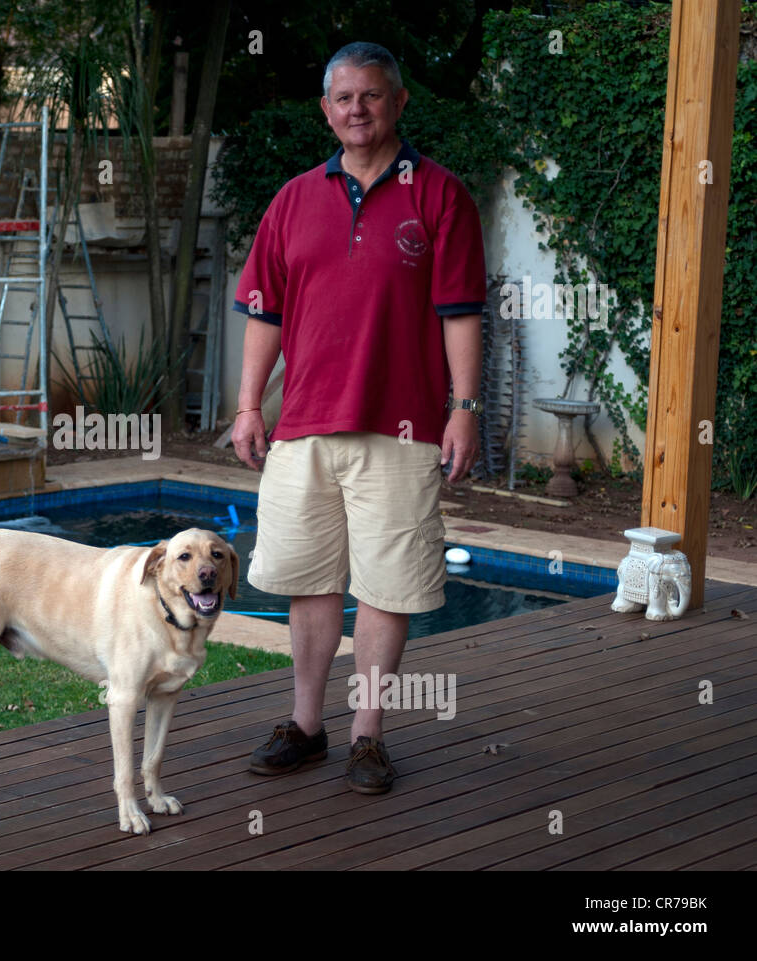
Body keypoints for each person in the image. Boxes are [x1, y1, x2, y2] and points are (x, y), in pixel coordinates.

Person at [230, 41, 485, 794]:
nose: (357, 109)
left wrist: (464, 409)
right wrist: (250, 404)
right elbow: (262, 313)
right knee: (309, 582)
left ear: (399, 102)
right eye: (343, 98)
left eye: (371, 95)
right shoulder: (292, 199)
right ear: (326, 110)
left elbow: (461, 314)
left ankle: (367, 735)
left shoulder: (440, 196)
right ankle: (306, 726)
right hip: (303, 424)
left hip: (401, 428)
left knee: (387, 586)